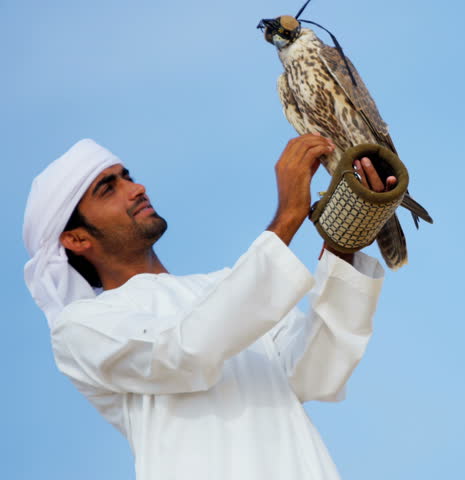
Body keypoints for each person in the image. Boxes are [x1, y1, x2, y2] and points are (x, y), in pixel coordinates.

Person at [23, 134, 394, 480]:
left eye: (127, 177)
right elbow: (187, 350)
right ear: (75, 238)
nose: (136, 189)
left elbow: (318, 374)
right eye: (108, 189)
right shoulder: (81, 328)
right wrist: (287, 218)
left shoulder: (225, 288)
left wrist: (345, 235)